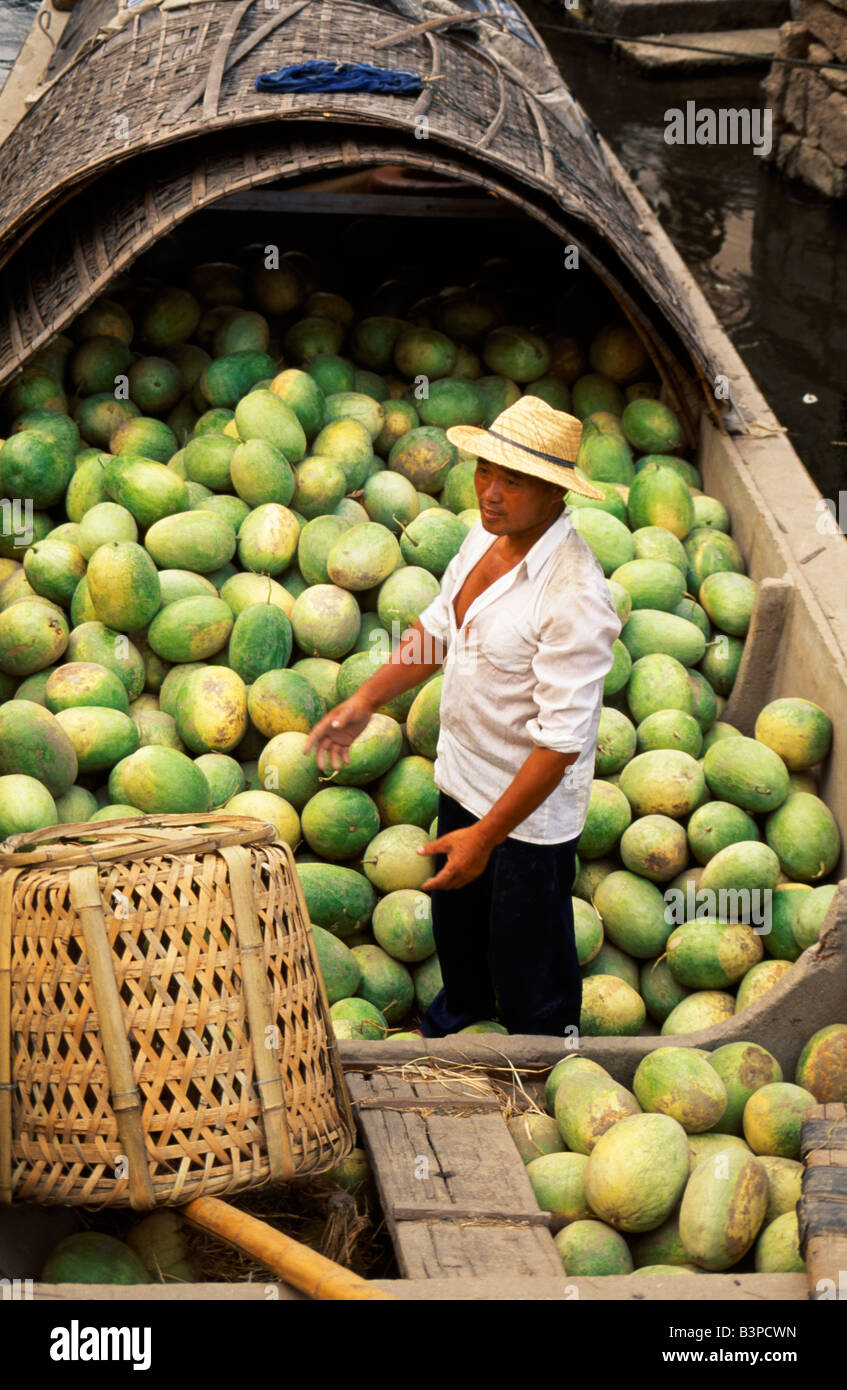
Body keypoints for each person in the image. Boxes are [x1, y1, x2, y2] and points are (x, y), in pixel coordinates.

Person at [304, 395, 622, 1038]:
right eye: (485, 471)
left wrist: (488, 837)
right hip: (462, 778)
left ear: (558, 493)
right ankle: (458, 1015)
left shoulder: (575, 595)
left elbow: (561, 744)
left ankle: (542, 1056)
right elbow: (440, 627)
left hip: (527, 813)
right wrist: (367, 699)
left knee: (530, 951)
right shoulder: (485, 535)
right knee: (458, 922)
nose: (492, 492)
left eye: (515, 480)